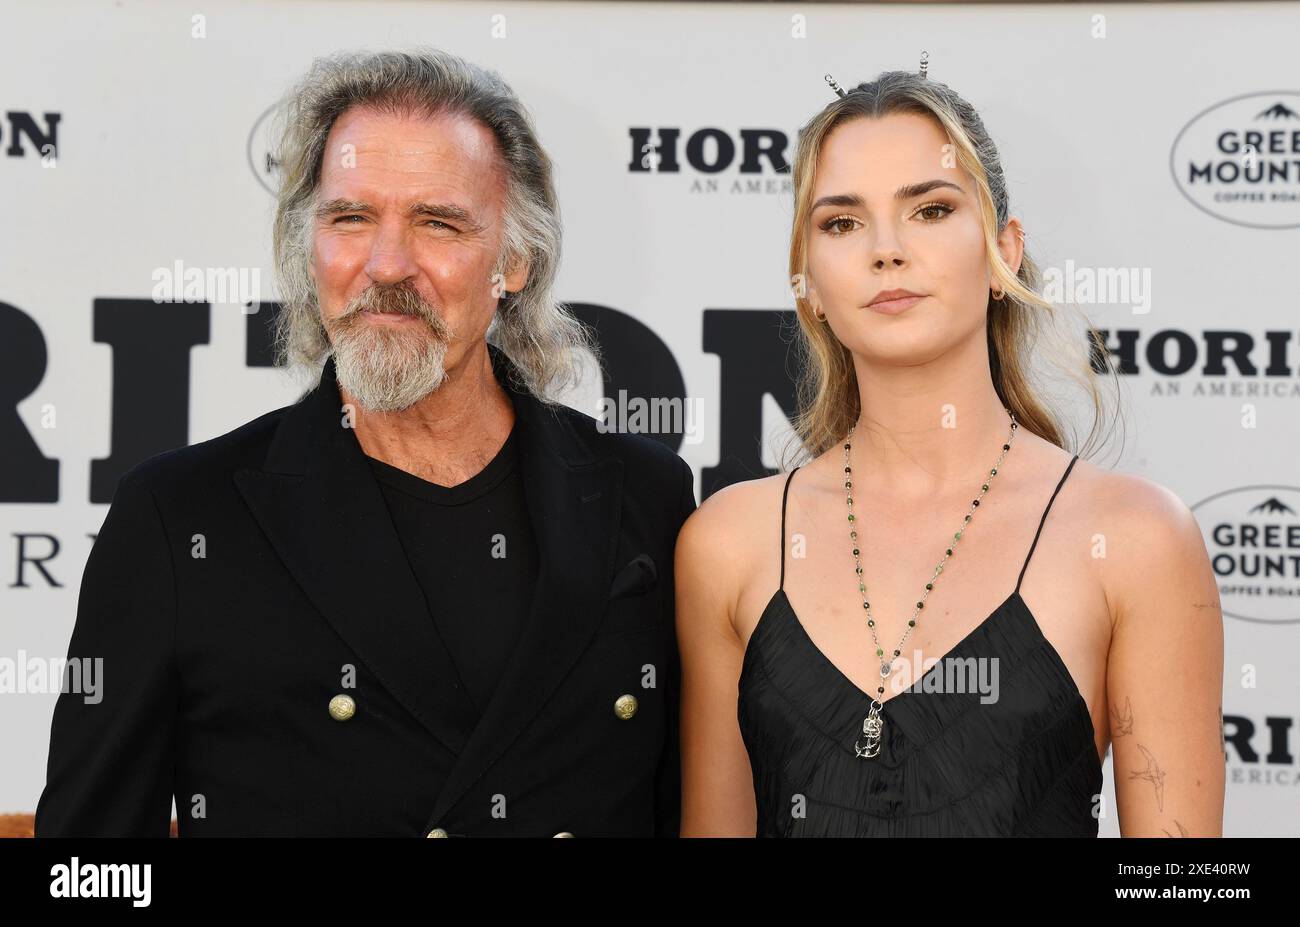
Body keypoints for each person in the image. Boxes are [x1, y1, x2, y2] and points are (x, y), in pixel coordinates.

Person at [36, 48, 694, 837]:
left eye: (437, 223)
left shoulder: (645, 497)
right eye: (350, 218)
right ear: (309, 248)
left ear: (514, 262)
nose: (386, 265)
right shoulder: (179, 519)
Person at [674, 67, 1224, 836]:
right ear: (808, 285)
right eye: (841, 223)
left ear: (1004, 251)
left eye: (930, 210)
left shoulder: (1135, 540)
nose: (887, 250)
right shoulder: (729, 542)